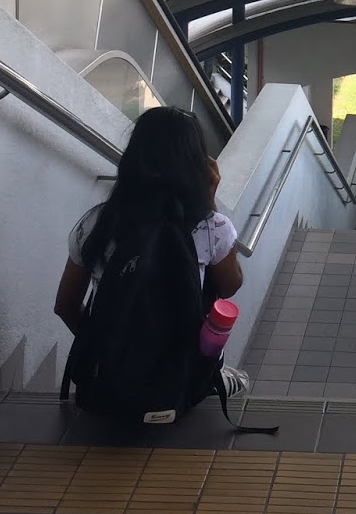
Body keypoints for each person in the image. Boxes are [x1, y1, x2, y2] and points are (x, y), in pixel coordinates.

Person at [54, 106, 250, 406]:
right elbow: (229, 286)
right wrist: (210, 205)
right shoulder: (210, 226)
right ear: (197, 163)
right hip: (180, 386)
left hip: (107, 388)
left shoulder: (97, 223)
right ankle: (214, 377)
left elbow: (65, 306)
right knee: (238, 374)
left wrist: (105, 349)